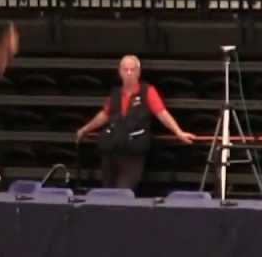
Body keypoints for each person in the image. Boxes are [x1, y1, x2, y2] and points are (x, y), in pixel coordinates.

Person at [74, 55, 195, 190]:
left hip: (133, 151)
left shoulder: (148, 91)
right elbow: (104, 115)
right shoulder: (115, 93)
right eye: (125, 70)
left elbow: (162, 114)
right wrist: (85, 129)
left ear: (138, 72)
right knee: (107, 190)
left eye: (132, 70)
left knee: (123, 190)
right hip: (111, 149)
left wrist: (178, 132)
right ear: (120, 71)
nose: (129, 73)